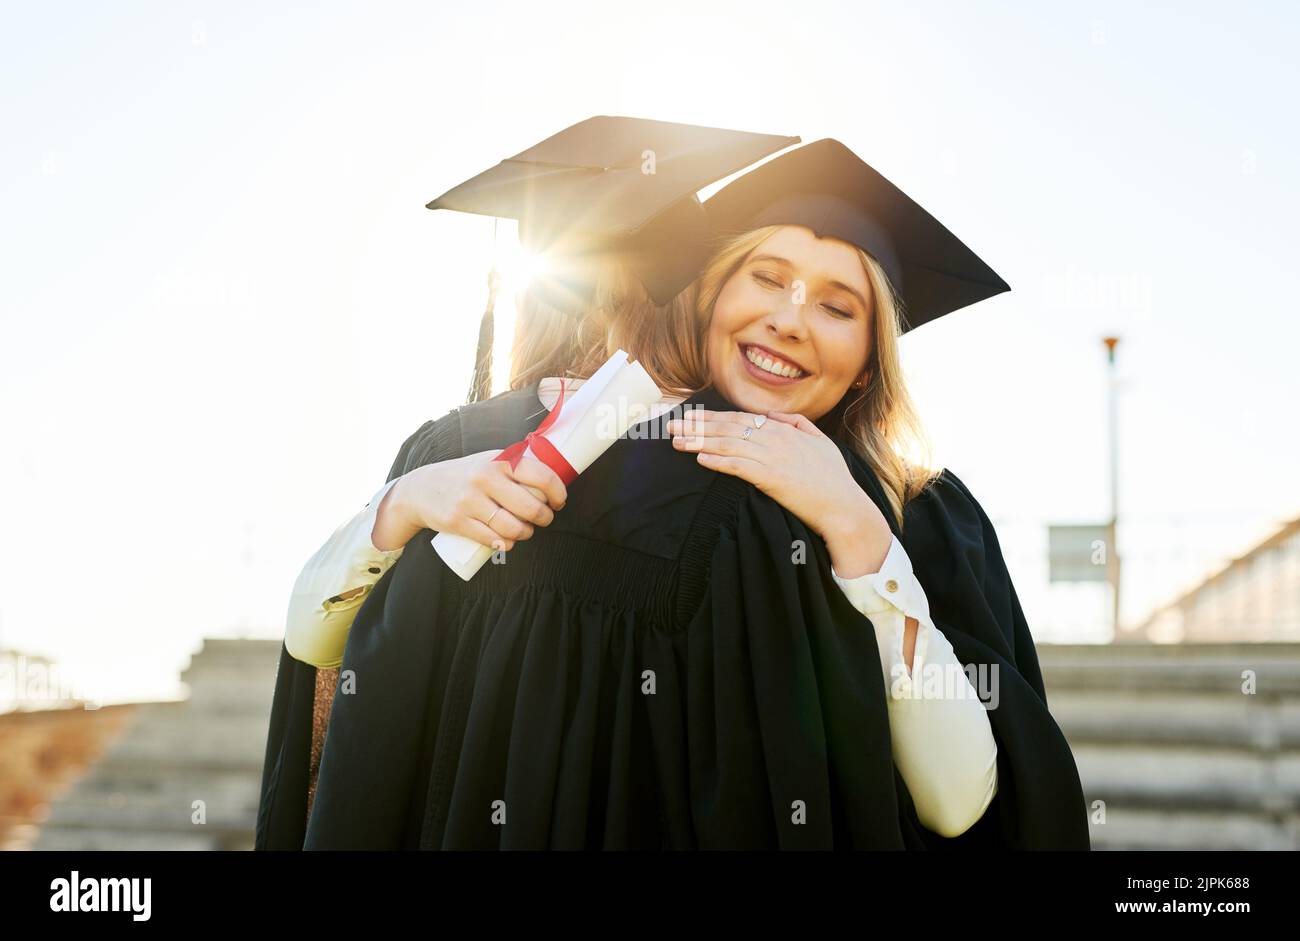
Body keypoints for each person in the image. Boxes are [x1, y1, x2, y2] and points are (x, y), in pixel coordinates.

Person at [263, 137, 1090, 850]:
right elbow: (320, 653)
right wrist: (408, 497)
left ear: (870, 360)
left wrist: (853, 527)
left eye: (838, 306)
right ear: (710, 294)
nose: (791, 319)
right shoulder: (513, 453)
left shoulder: (923, 514)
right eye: (766, 276)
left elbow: (959, 804)